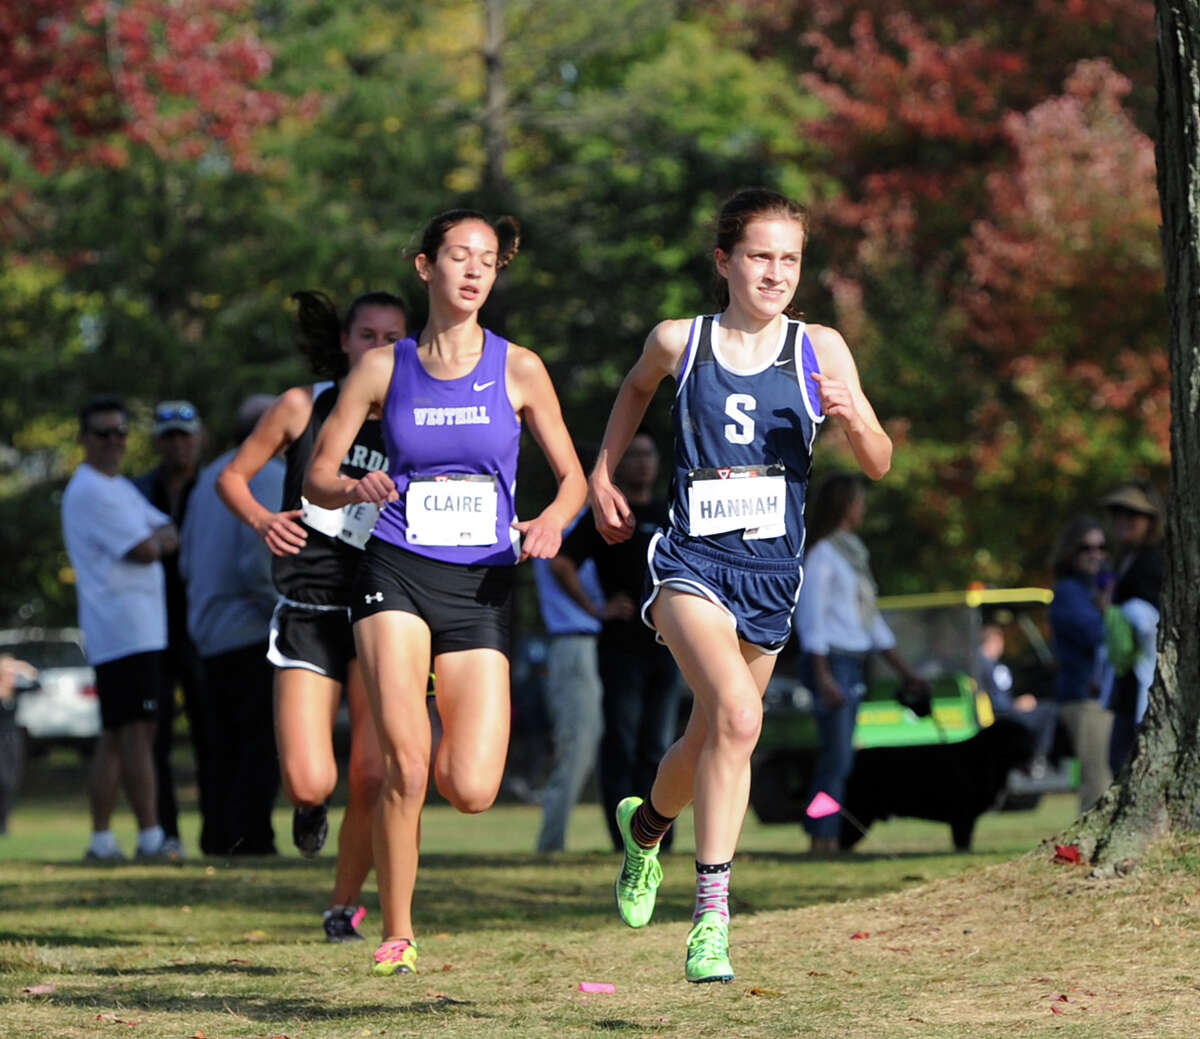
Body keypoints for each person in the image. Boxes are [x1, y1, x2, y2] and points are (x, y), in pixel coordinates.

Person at [588, 187, 892, 984]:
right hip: (691, 562)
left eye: (790, 258)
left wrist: (853, 416)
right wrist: (601, 471)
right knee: (741, 712)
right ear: (724, 260)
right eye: (760, 255)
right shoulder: (678, 340)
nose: (776, 272)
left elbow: (879, 459)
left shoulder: (819, 347)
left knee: (715, 734)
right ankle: (711, 918)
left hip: (772, 574)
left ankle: (646, 826)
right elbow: (632, 392)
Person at [303, 208, 586, 977]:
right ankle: (397, 927)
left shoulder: (518, 367)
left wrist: (555, 522)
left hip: (483, 580)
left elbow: (573, 479)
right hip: (394, 566)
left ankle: (402, 879)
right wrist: (350, 483)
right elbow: (316, 478)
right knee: (405, 757)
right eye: (458, 255)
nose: (471, 270)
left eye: (486, 260)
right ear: (425, 266)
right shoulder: (382, 367)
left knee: (470, 786)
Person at [218, 290, 409, 940]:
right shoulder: (306, 405)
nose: (378, 348)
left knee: (373, 770)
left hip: (384, 605)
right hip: (307, 606)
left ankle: (343, 904)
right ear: (345, 343)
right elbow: (232, 477)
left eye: (392, 337)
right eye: (367, 335)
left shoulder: (419, 420)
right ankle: (305, 807)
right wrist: (263, 519)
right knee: (310, 776)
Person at [551, 429, 682, 852]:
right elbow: (561, 563)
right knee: (622, 743)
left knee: (659, 745)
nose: (644, 462)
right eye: (636, 455)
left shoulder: (672, 512)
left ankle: (660, 834)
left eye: (650, 454)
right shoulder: (609, 514)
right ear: (622, 465)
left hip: (669, 646)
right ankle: (621, 838)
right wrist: (595, 608)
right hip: (620, 647)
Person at [62, 394, 176, 860]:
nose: (113, 442)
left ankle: (102, 839)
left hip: (135, 629)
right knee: (136, 733)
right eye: (102, 433)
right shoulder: (89, 489)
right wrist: (156, 539)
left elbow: (167, 531)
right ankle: (150, 836)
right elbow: (148, 547)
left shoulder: (118, 487)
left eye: (119, 432)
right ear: (84, 439)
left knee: (116, 735)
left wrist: (157, 538)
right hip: (125, 630)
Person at [794, 471, 928, 855]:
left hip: (852, 663)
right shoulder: (823, 555)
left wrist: (906, 672)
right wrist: (823, 676)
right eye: (858, 500)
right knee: (836, 758)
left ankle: (825, 832)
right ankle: (822, 835)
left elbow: (872, 624)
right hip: (833, 664)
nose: (863, 507)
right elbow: (812, 619)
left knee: (842, 758)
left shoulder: (852, 553)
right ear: (844, 505)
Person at [179, 395, 282, 855]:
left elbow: (185, 560)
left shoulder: (206, 479)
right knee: (259, 744)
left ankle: (218, 836)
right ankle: (252, 838)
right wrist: (284, 616)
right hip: (252, 630)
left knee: (218, 745)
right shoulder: (269, 474)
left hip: (207, 631)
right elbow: (259, 561)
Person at [134, 400, 208, 861]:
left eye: (185, 435)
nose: (178, 444)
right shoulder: (139, 491)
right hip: (154, 628)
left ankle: (221, 831)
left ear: (198, 438)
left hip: (204, 626)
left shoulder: (217, 485)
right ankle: (165, 835)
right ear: (158, 442)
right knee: (153, 736)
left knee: (211, 732)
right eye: (169, 436)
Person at [532, 512, 605, 853]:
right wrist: (597, 609)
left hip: (602, 644)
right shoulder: (562, 528)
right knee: (576, 749)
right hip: (574, 640)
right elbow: (563, 568)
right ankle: (551, 844)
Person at [1099, 480, 1164, 775]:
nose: (1123, 521)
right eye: (1118, 514)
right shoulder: (1126, 559)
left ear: (1149, 521)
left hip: (1144, 677)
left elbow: (1150, 620)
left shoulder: (1151, 561)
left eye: (1132, 515)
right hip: (1127, 678)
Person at [1048, 514, 1112, 811]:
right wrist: (1109, 611)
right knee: (1097, 782)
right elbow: (1096, 635)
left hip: (1107, 697)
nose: (1094, 554)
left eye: (1100, 547)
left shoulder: (1097, 589)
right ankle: (1085, 852)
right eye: (1086, 548)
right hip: (1085, 699)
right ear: (1071, 552)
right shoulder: (1068, 592)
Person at [0, 656, 37, 835]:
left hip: (14, 741)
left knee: (11, 782)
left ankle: (4, 823)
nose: (11, 676)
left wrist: (22, 667)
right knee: (3, 780)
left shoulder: (15, 692)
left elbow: (38, 684)